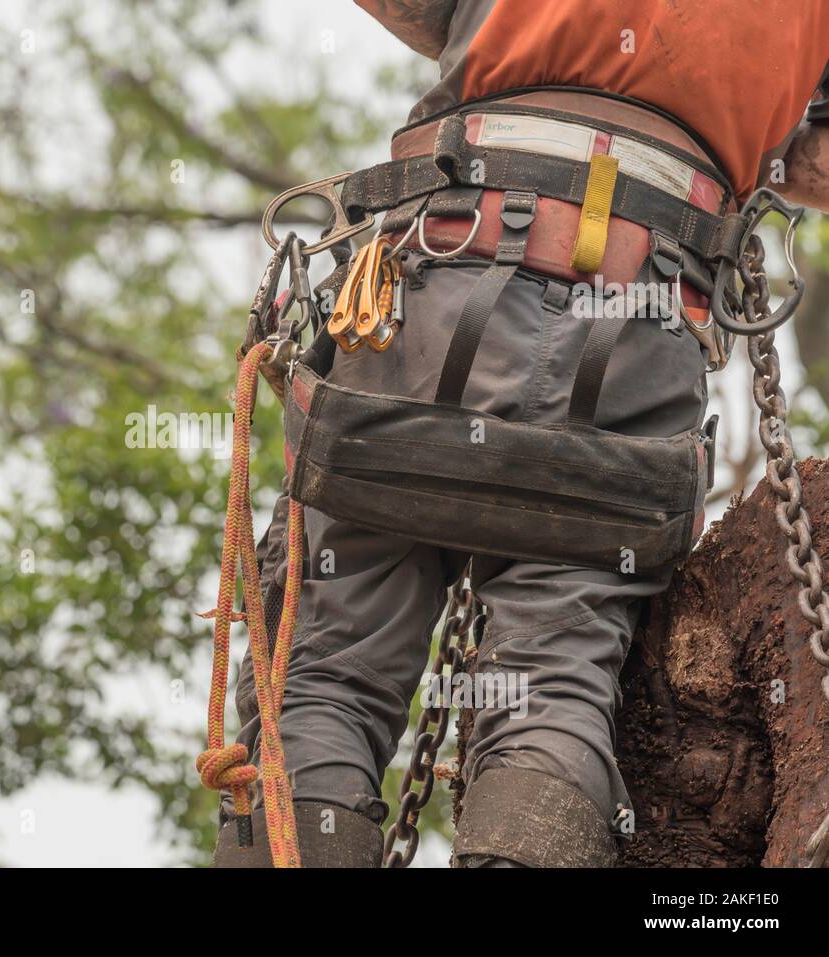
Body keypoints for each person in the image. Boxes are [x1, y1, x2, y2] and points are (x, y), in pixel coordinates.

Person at [213, 0, 829, 867]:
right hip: (643, 317)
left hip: (430, 279)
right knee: (553, 683)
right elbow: (816, 158)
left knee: (326, 679)